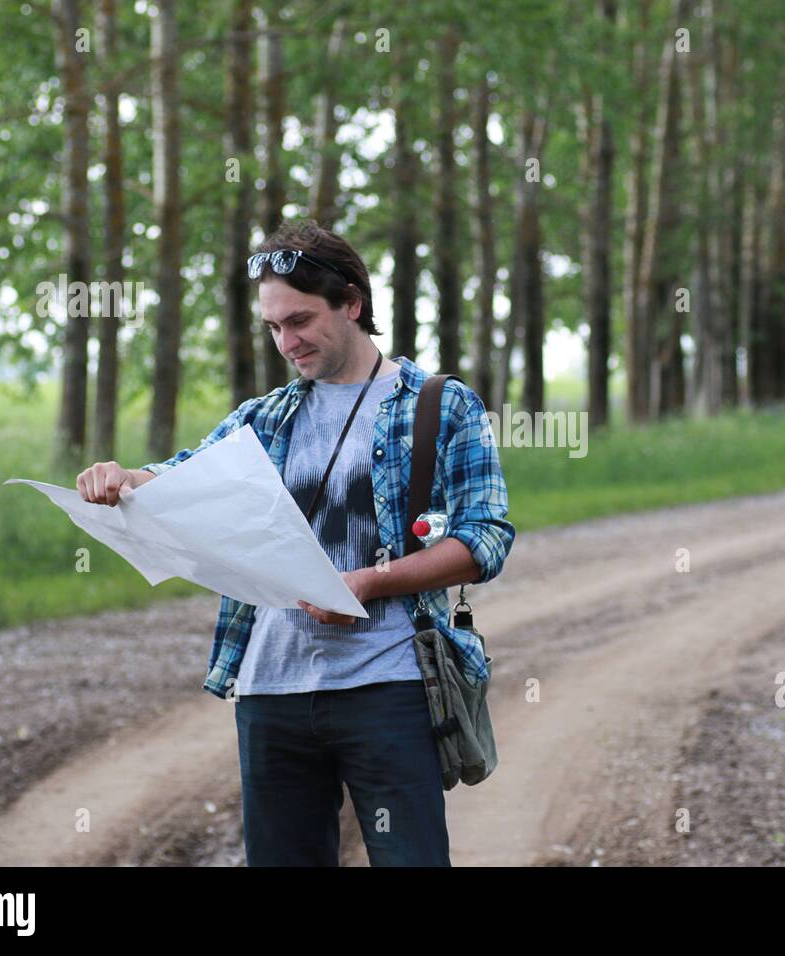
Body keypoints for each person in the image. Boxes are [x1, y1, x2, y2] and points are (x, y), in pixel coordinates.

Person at [75, 219, 515, 866]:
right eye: (275, 327)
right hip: (270, 693)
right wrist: (121, 480)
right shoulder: (266, 416)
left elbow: (486, 540)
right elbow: (180, 477)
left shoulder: (441, 407)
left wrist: (370, 584)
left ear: (353, 303)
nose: (288, 341)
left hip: (388, 688)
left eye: (301, 321)